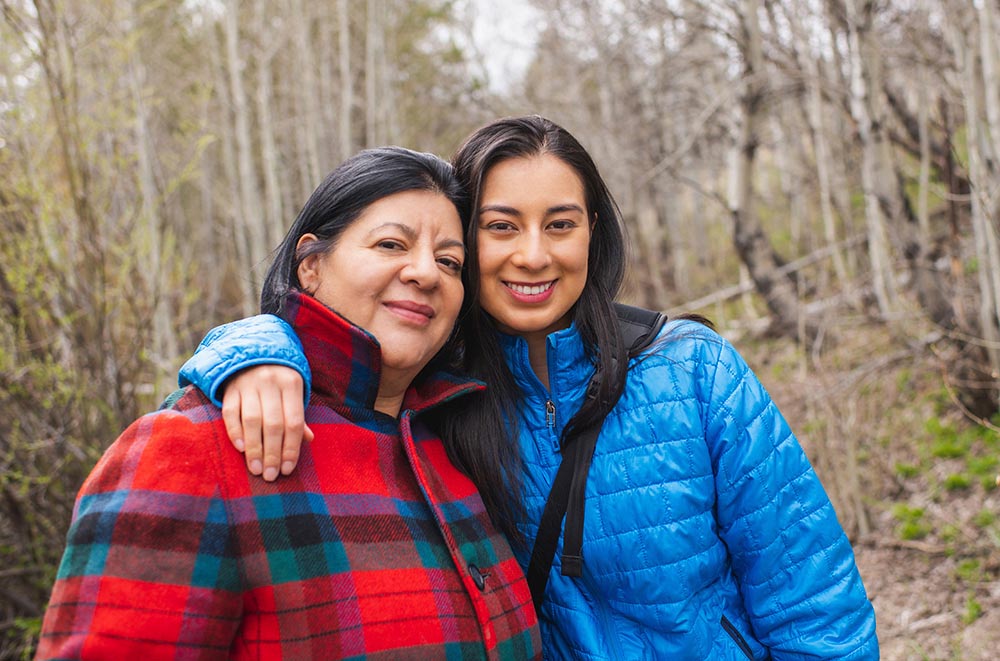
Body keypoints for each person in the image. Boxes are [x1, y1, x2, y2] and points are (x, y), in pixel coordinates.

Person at [175, 117, 879, 659]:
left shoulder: (693, 370)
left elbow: (814, 601)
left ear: (592, 232)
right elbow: (337, 357)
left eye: (560, 225)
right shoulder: (434, 395)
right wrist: (253, 350)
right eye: (501, 227)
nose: (533, 255)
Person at [35, 147, 541, 660]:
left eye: (450, 262)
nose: (426, 273)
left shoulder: (460, 441)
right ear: (311, 265)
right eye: (391, 244)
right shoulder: (195, 450)